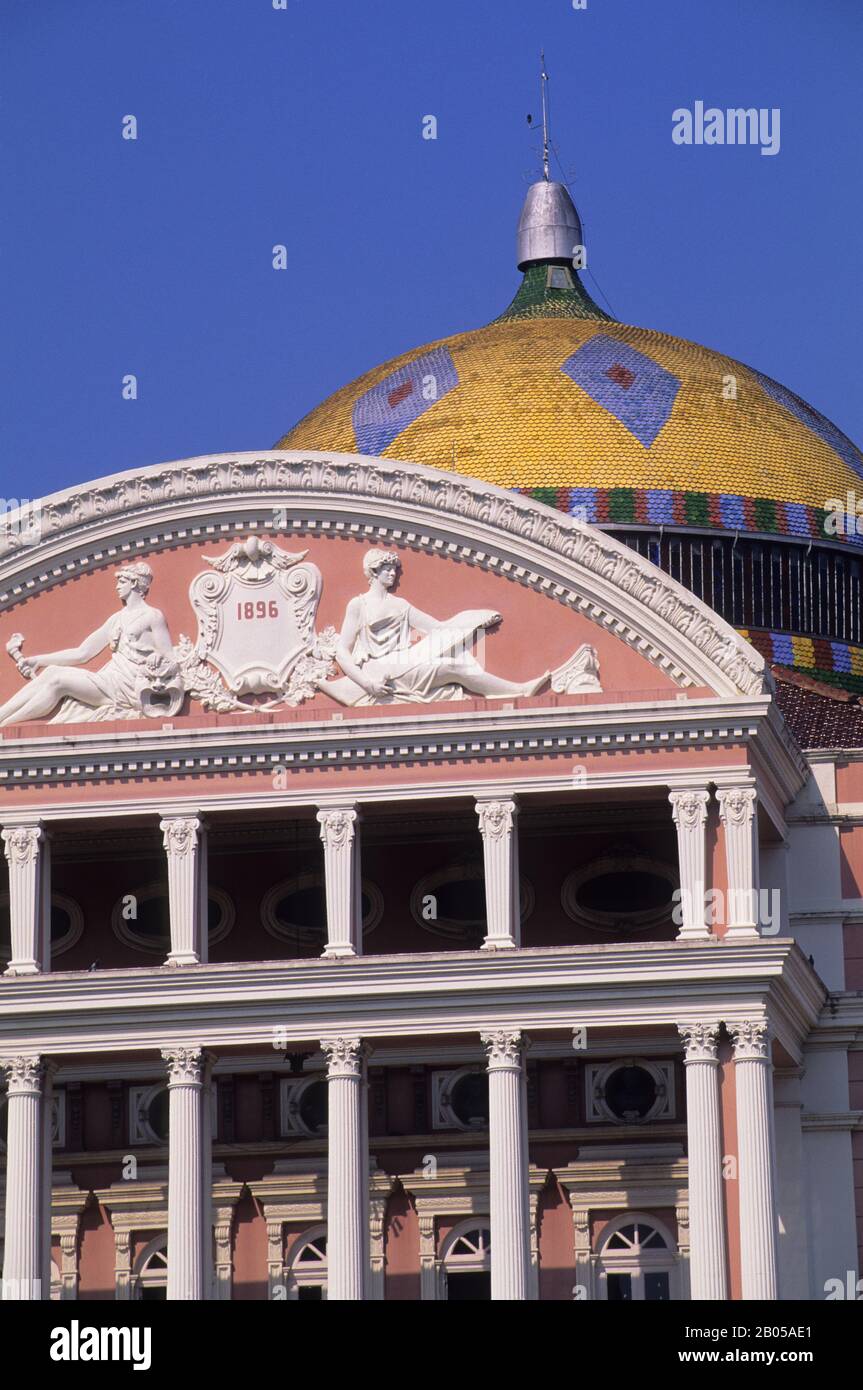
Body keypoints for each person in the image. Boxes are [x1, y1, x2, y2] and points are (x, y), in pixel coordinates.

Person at [316, 549, 550, 706]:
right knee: (452, 667)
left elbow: (438, 629)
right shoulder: (359, 605)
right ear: (373, 572)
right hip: (378, 672)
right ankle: (517, 690)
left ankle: (515, 689)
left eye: (394, 569)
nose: (392, 573)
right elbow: (342, 653)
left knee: (454, 662)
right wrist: (368, 684)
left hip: (403, 664)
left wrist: (474, 620)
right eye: (386, 568)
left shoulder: (401, 605)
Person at [0, 562, 178, 726]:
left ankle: (7, 723)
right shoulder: (116, 619)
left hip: (127, 686)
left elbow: (171, 659)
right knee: (52, 671)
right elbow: (83, 652)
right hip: (110, 679)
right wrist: (38, 660)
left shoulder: (153, 616)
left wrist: (157, 657)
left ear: (134, 583)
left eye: (121, 582)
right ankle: (2, 716)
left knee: (59, 681)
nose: (117, 586)